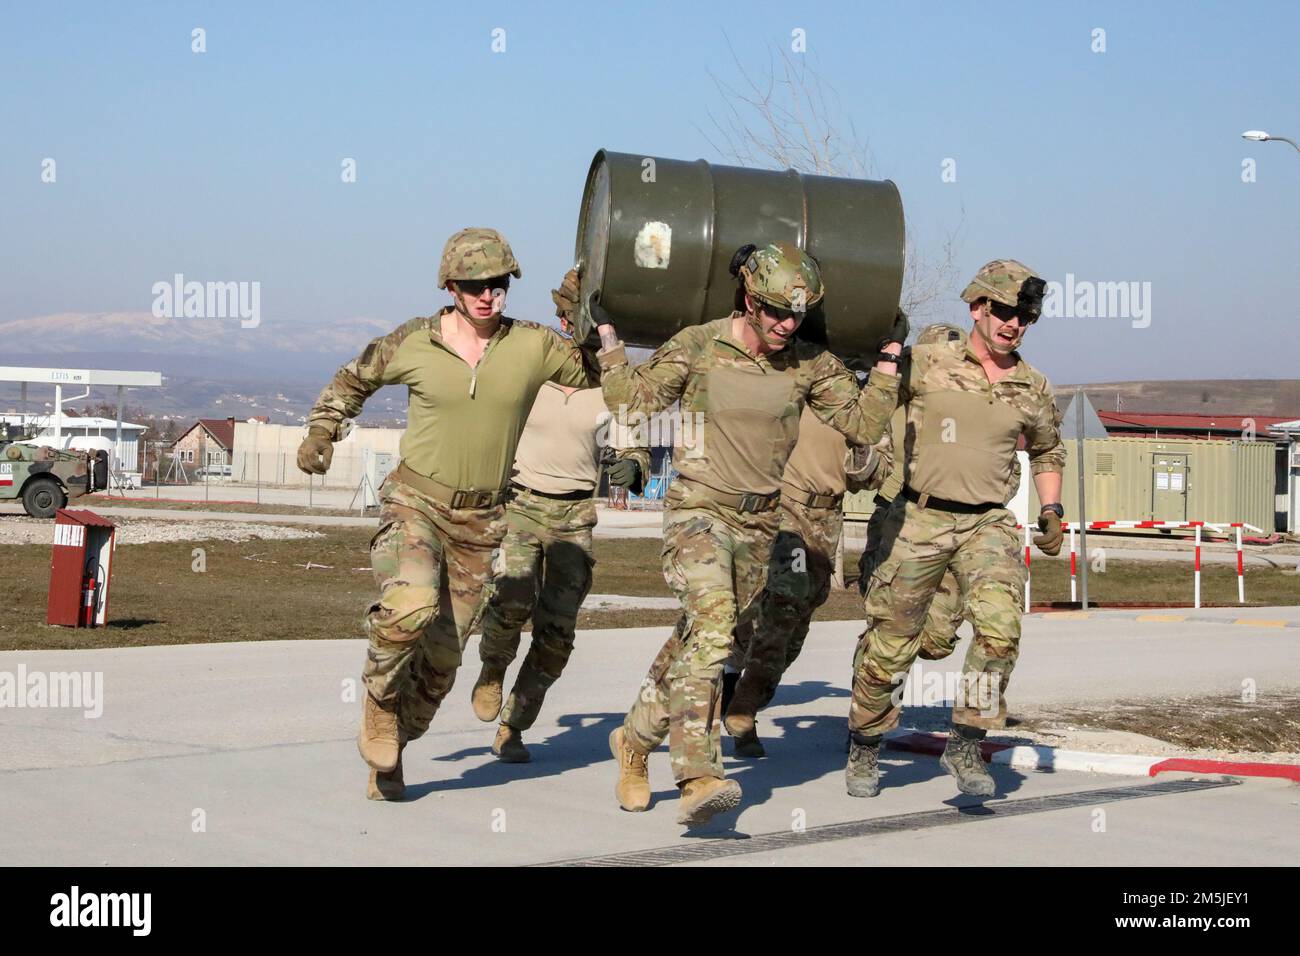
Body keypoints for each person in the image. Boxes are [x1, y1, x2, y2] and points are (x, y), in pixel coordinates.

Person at [557, 241, 902, 827]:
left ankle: (634, 741)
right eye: (775, 312)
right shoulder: (699, 345)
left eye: (796, 314)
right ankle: (698, 774)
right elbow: (634, 402)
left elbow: (865, 423)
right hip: (699, 510)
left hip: (763, 521)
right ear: (748, 299)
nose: (786, 324)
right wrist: (610, 340)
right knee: (716, 632)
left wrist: (890, 358)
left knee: (695, 641)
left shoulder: (809, 364)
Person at [297, 227, 599, 801]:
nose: (488, 295)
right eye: (474, 284)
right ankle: (379, 707)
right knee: (409, 605)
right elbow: (353, 378)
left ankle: (395, 749)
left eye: (498, 283)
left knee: (442, 661)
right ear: (451, 287)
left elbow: (597, 372)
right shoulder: (416, 340)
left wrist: (582, 312)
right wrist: (322, 429)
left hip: (482, 524)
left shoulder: (533, 346)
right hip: (417, 503)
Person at [845, 260, 1065, 800]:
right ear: (978, 308)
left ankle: (966, 741)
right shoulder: (925, 363)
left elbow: (1047, 450)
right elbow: (868, 408)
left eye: (1025, 318)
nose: (1014, 324)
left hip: (987, 522)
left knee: (1001, 631)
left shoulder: (1032, 387)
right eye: (1006, 312)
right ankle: (865, 744)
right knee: (894, 643)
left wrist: (1051, 509)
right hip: (916, 517)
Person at [470, 372, 649, 762]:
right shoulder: (530, 376)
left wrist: (634, 466)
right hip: (520, 505)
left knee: (557, 631)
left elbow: (633, 441)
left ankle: (513, 725)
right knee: (511, 598)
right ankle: (493, 670)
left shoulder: (610, 389)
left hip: (575, 514)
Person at [720, 405, 880, 758]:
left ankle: (733, 684)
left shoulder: (853, 408)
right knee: (784, 606)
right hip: (784, 508)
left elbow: (866, 476)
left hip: (827, 517)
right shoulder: (787, 391)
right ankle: (741, 706)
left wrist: (868, 455)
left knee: (793, 629)